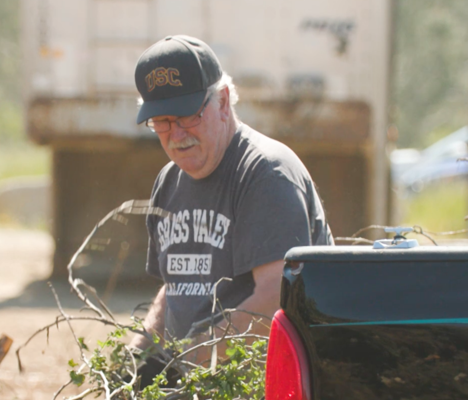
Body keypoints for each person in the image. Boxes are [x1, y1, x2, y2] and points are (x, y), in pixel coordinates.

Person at [129, 35, 333, 375]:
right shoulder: (169, 181)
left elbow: (276, 299)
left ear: (223, 101)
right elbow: (176, 287)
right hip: (198, 395)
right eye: (161, 121)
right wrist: (137, 355)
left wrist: (187, 361)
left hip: (263, 394)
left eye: (187, 116)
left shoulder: (265, 174)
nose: (176, 134)